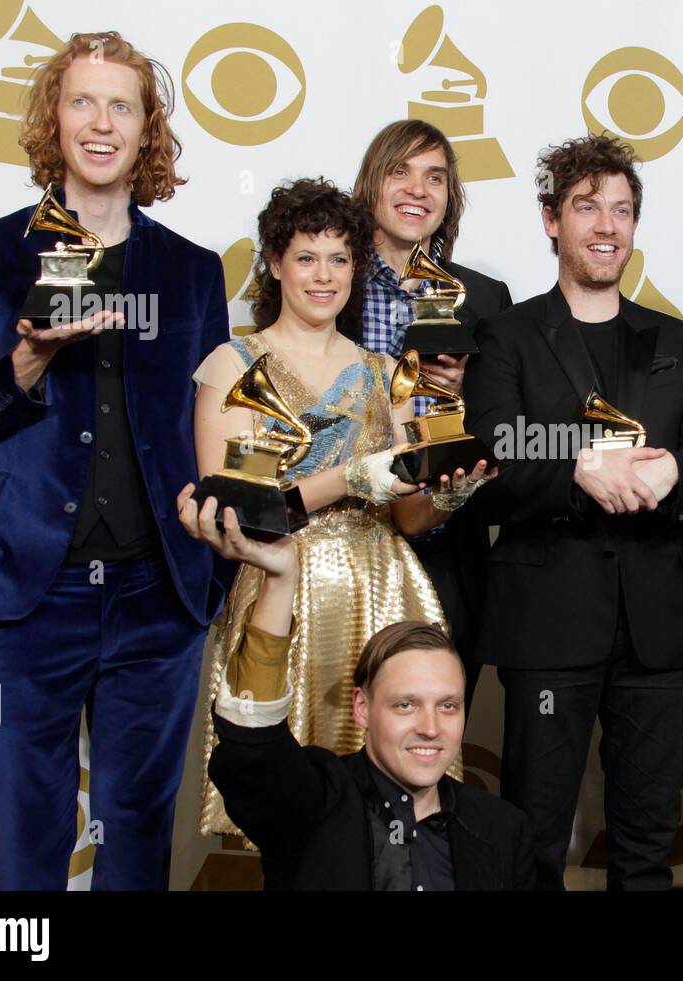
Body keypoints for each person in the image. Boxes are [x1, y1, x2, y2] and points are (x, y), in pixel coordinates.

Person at [0, 31, 231, 889]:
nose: (101, 123)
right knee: (24, 845)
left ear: (146, 130)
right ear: (53, 120)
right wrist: (28, 357)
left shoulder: (191, 272)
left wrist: (207, 579)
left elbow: (214, 429)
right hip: (28, 599)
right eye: (83, 101)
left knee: (137, 844)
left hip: (156, 599)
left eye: (122, 105)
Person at [464, 134, 683, 889]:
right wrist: (575, 470)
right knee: (535, 835)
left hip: (656, 626)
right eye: (587, 208)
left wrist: (675, 469)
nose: (606, 226)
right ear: (552, 220)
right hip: (546, 622)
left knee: (647, 843)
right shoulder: (506, 335)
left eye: (621, 210)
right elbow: (485, 470)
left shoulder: (681, 342)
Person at [191, 178, 493, 837]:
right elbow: (239, 514)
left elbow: (410, 518)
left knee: (395, 807)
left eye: (339, 258)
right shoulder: (232, 364)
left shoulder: (388, 373)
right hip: (281, 588)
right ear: (273, 263)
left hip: (385, 592)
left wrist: (450, 491)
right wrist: (351, 476)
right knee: (287, 800)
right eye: (305, 257)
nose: (324, 276)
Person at [173, 493, 532, 891]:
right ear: (361, 707)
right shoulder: (313, 804)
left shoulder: (501, 829)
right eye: (405, 705)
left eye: (448, 706)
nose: (430, 727)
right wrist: (279, 581)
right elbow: (251, 749)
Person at [353, 119, 513, 709]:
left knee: (433, 732)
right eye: (400, 171)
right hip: (352, 540)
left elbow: (513, 432)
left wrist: (476, 396)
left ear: (450, 199)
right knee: (344, 733)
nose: (418, 189)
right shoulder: (327, 279)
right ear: (371, 184)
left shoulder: (485, 297)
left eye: (435, 178)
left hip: (449, 551)